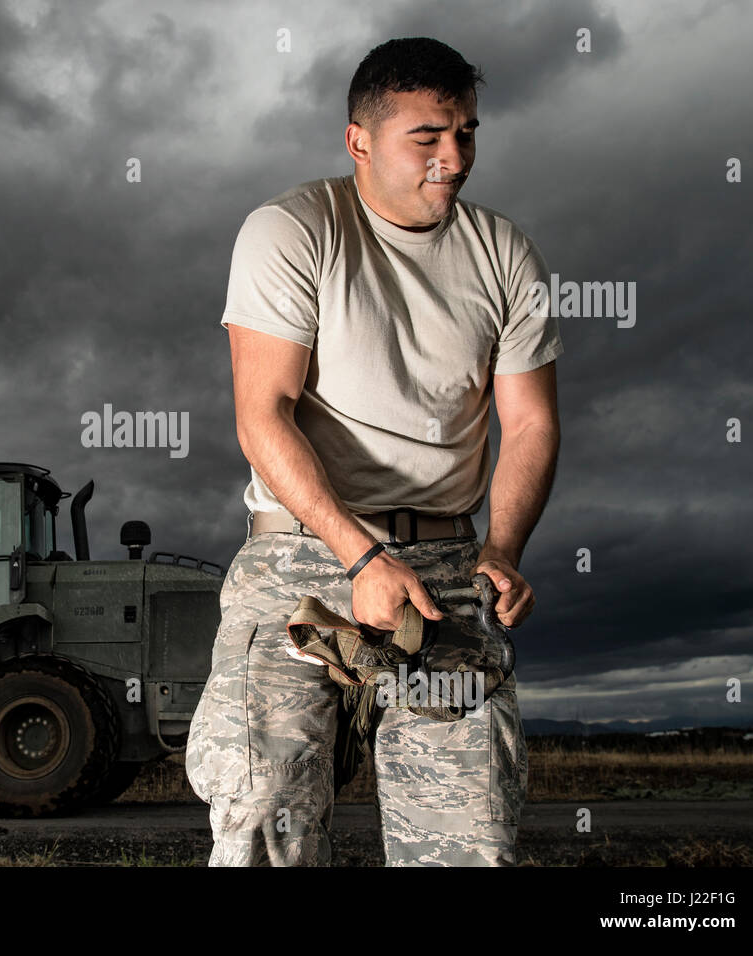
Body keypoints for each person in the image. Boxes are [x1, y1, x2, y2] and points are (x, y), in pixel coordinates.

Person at [185, 36, 562, 867]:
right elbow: (264, 416)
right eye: (426, 137)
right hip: (302, 553)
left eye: (466, 132)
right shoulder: (290, 230)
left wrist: (502, 548)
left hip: (444, 563)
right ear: (359, 140)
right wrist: (358, 559)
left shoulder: (507, 254)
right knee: (263, 815)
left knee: (468, 842)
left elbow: (530, 423)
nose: (453, 158)